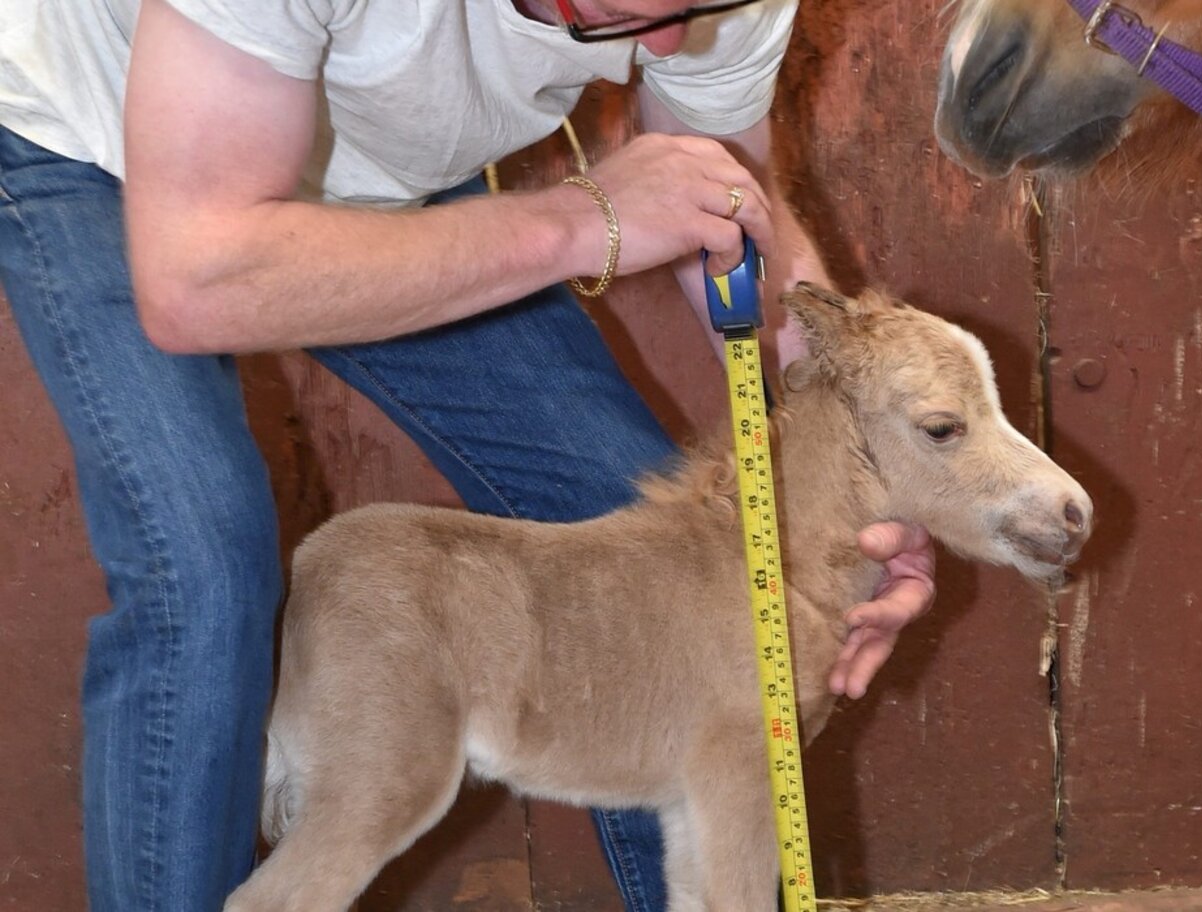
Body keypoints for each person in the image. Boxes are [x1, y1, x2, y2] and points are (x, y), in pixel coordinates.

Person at [0, 0, 938, 908]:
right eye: (615, 11)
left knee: (626, 526)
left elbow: (729, 211)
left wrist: (871, 477)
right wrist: (577, 224)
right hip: (104, 151)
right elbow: (201, 281)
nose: (667, 43)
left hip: (387, 174)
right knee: (202, 568)